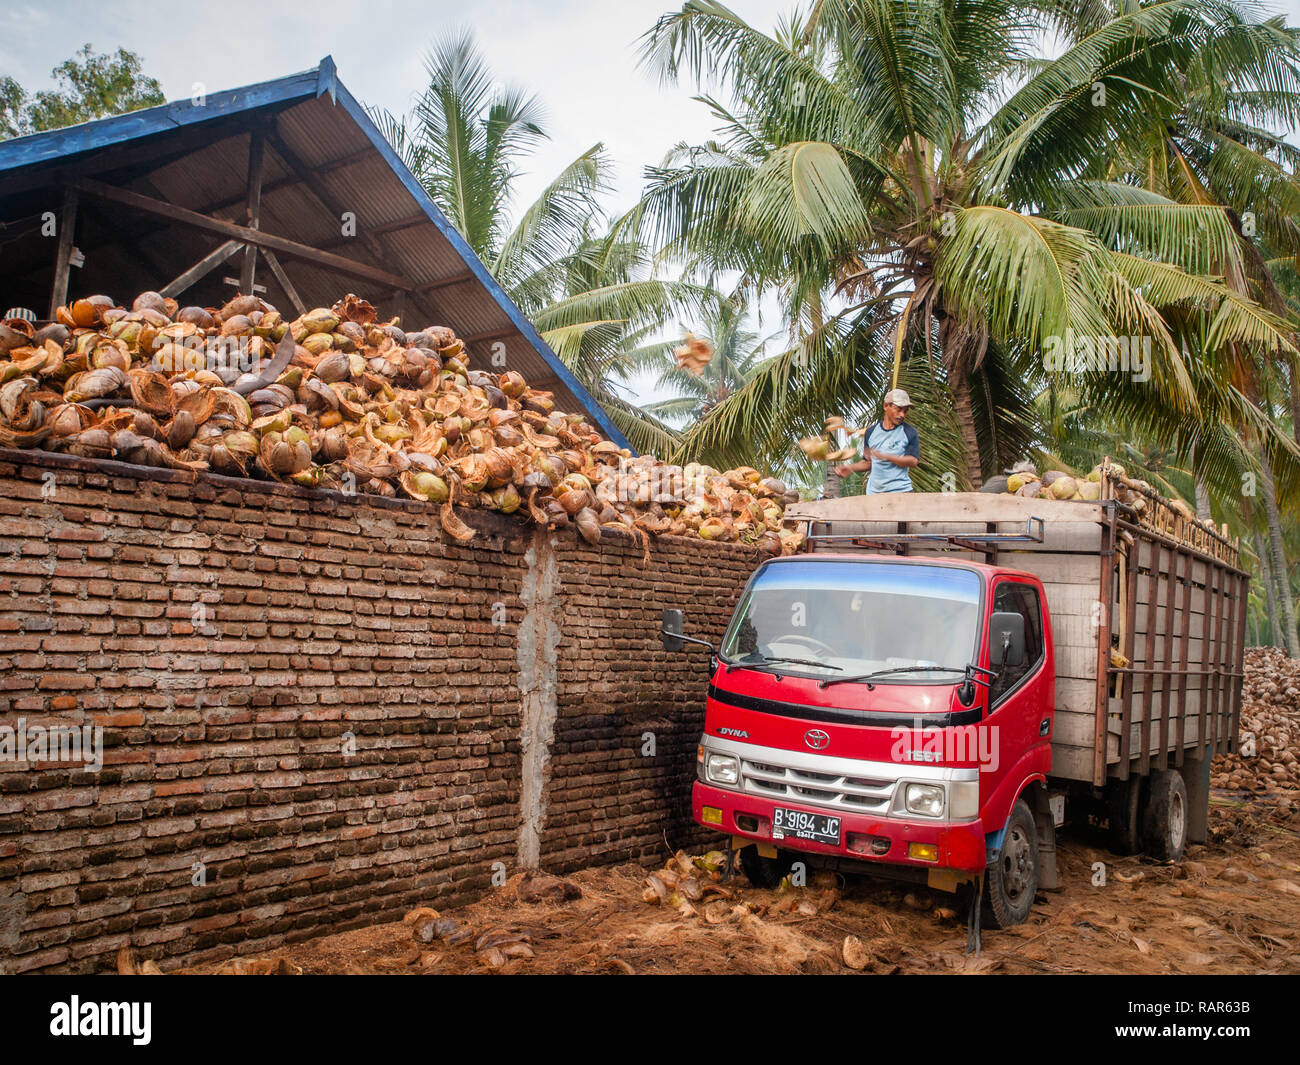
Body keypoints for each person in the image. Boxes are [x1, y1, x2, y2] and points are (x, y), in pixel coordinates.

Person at [834, 389, 919, 493]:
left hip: (901, 491)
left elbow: (913, 461)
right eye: (899, 409)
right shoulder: (871, 432)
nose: (902, 415)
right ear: (885, 406)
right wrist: (850, 467)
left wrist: (885, 456)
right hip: (874, 494)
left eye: (905, 411)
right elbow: (868, 463)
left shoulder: (909, 432)